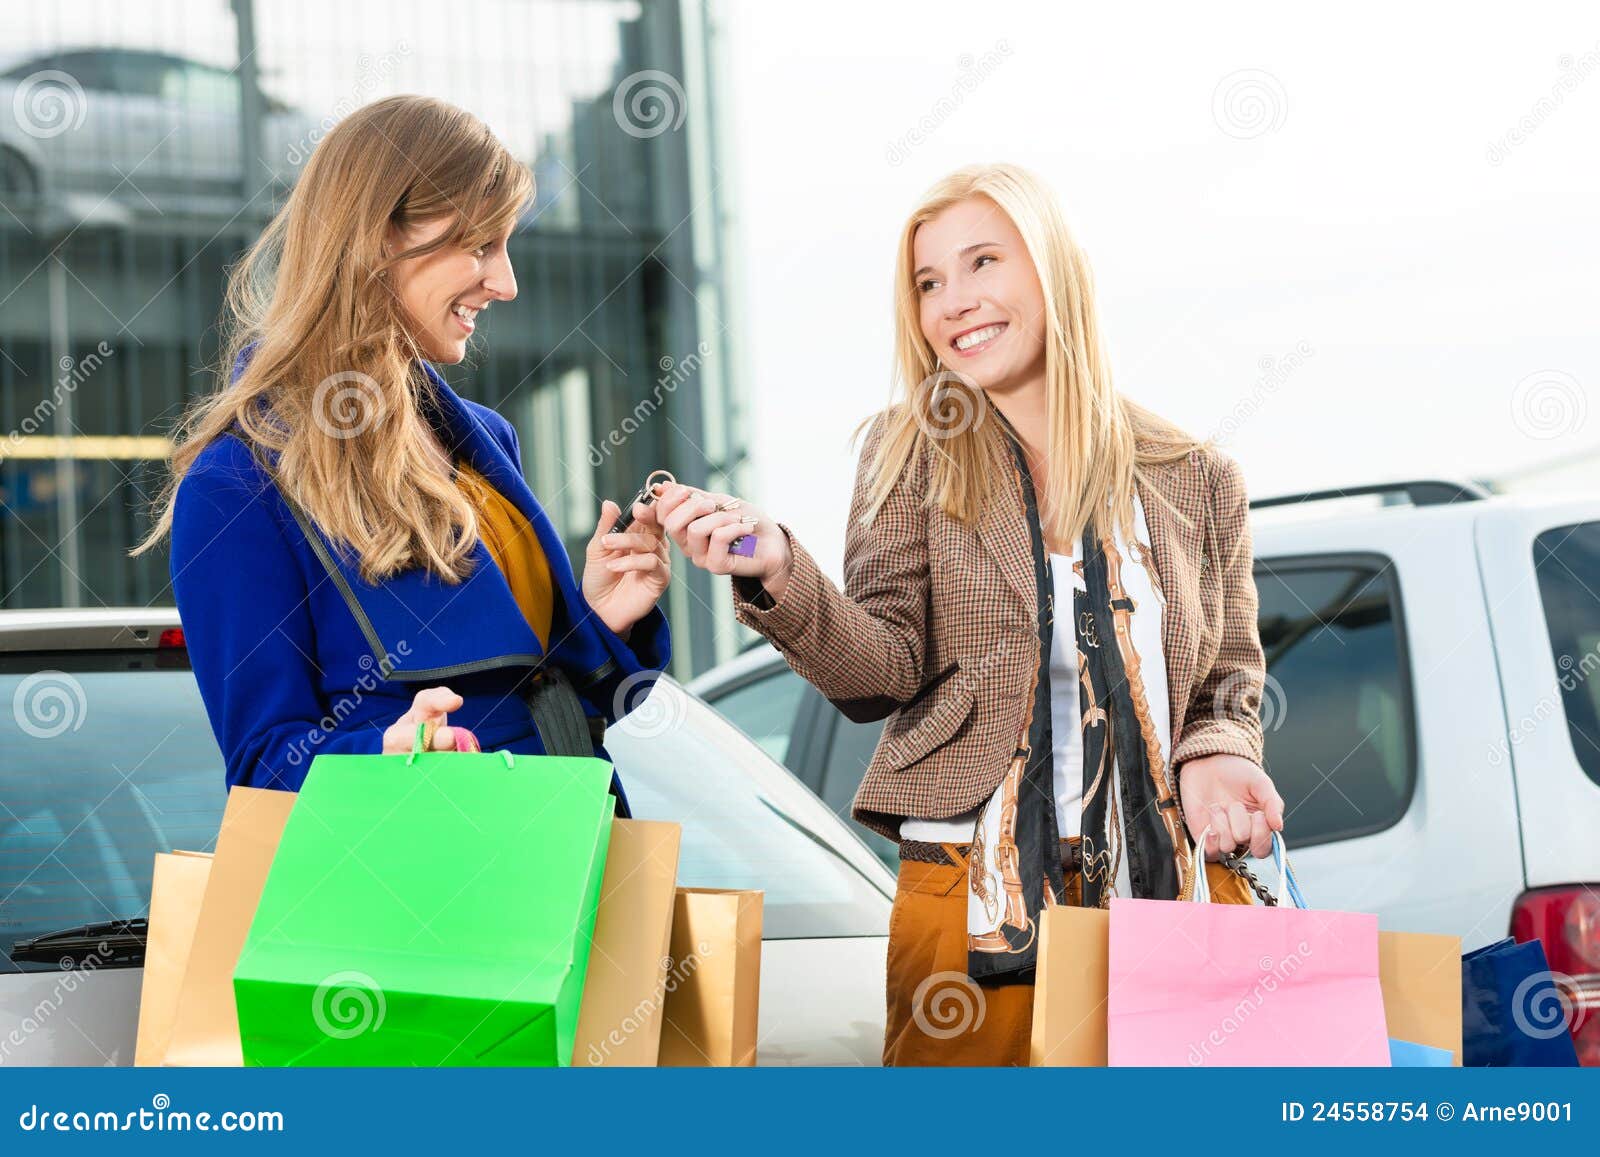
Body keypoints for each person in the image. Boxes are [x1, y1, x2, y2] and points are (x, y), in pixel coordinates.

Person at [645, 163, 1286, 1065]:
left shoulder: (1194, 474)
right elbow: (883, 670)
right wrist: (782, 570)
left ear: (1052, 267)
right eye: (929, 282)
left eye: (983, 262)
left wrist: (1219, 749)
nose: (955, 301)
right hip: (968, 893)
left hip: (1173, 890)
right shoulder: (911, 452)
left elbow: (1226, 674)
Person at [135, 95, 670, 808]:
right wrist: (389, 753)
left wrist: (601, 617)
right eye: (480, 245)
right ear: (378, 238)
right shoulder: (237, 483)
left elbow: (545, 706)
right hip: (431, 894)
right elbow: (264, 771)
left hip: (572, 856)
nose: (506, 283)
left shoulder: (482, 439)